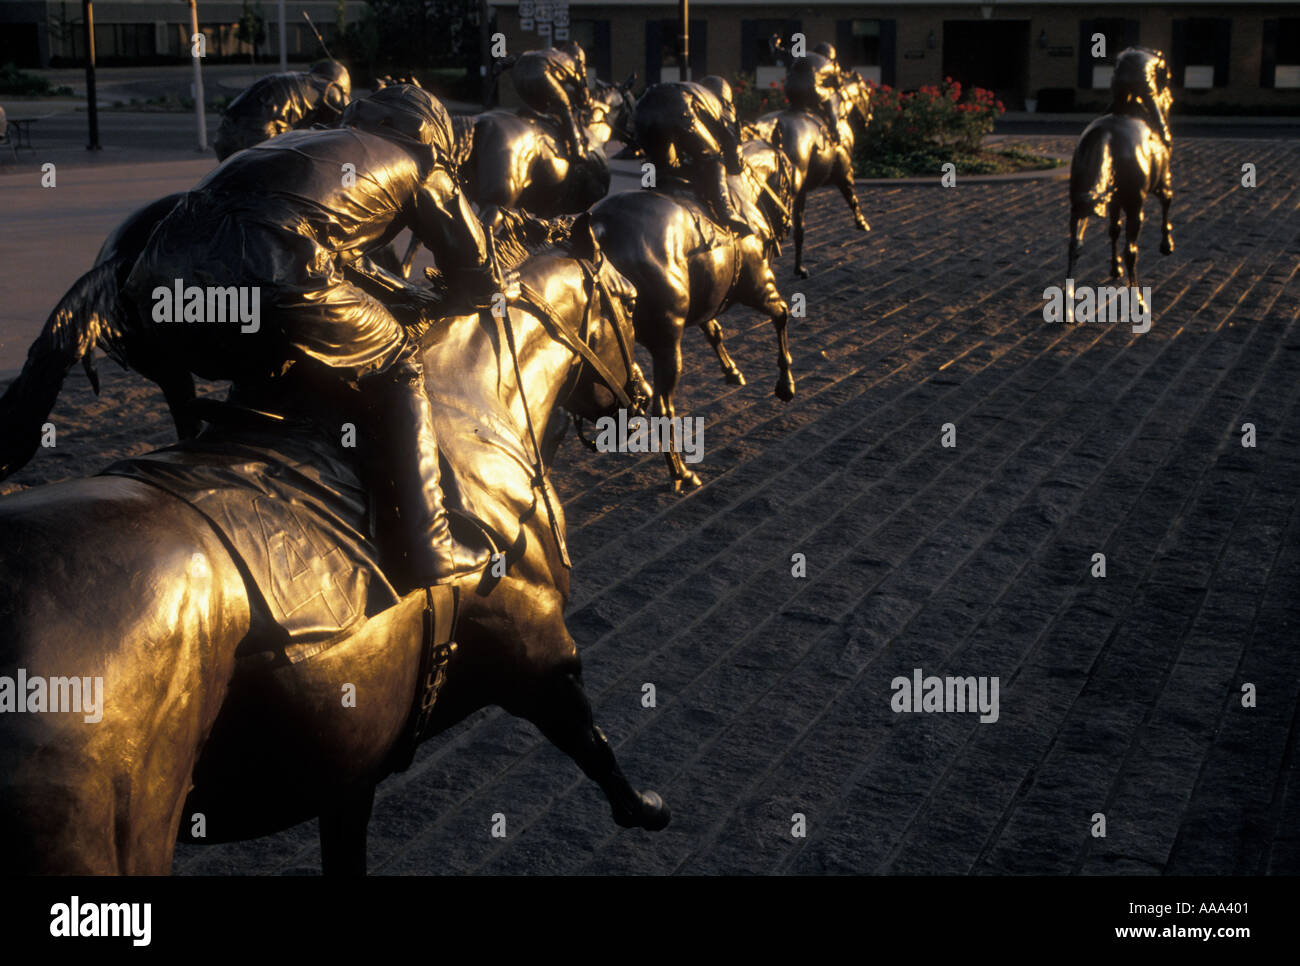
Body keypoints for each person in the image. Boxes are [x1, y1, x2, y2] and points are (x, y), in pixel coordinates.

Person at [123, 85, 494, 588]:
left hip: (158, 294)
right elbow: (476, 277)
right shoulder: (422, 159)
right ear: (432, 130)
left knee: (279, 331)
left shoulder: (308, 141)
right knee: (397, 356)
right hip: (267, 278)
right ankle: (429, 547)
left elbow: (330, 246)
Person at [633, 77, 751, 236]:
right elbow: (733, 159)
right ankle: (726, 211)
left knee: (659, 163)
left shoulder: (693, 92)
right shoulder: (723, 105)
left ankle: (648, 189)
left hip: (643, 106)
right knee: (714, 155)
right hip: (678, 106)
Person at [213, 60, 352, 161]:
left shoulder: (299, 79)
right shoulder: (331, 89)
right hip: (263, 131)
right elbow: (351, 116)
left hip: (226, 130)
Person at [510, 42, 593, 159]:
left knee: (539, 108)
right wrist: (586, 103)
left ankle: (530, 117)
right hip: (540, 71)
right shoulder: (573, 61)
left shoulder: (551, 52)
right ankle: (577, 149)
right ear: (578, 57)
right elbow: (582, 90)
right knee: (565, 106)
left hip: (518, 72)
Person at [1106, 47, 1172, 147]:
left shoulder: (1126, 53)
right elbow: (1163, 83)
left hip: (1119, 79)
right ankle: (1164, 135)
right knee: (1153, 106)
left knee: (1116, 106)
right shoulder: (1158, 60)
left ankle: (1098, 122)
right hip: (1141, 79)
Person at [785, 43, 845, 144]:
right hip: (811, 91)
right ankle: (835, 132)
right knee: (830, 94)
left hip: (789, 90)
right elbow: (839, 84)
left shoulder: (803, 55)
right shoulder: (829, 63)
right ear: (829, 55)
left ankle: (793, 108)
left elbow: (784, 53)